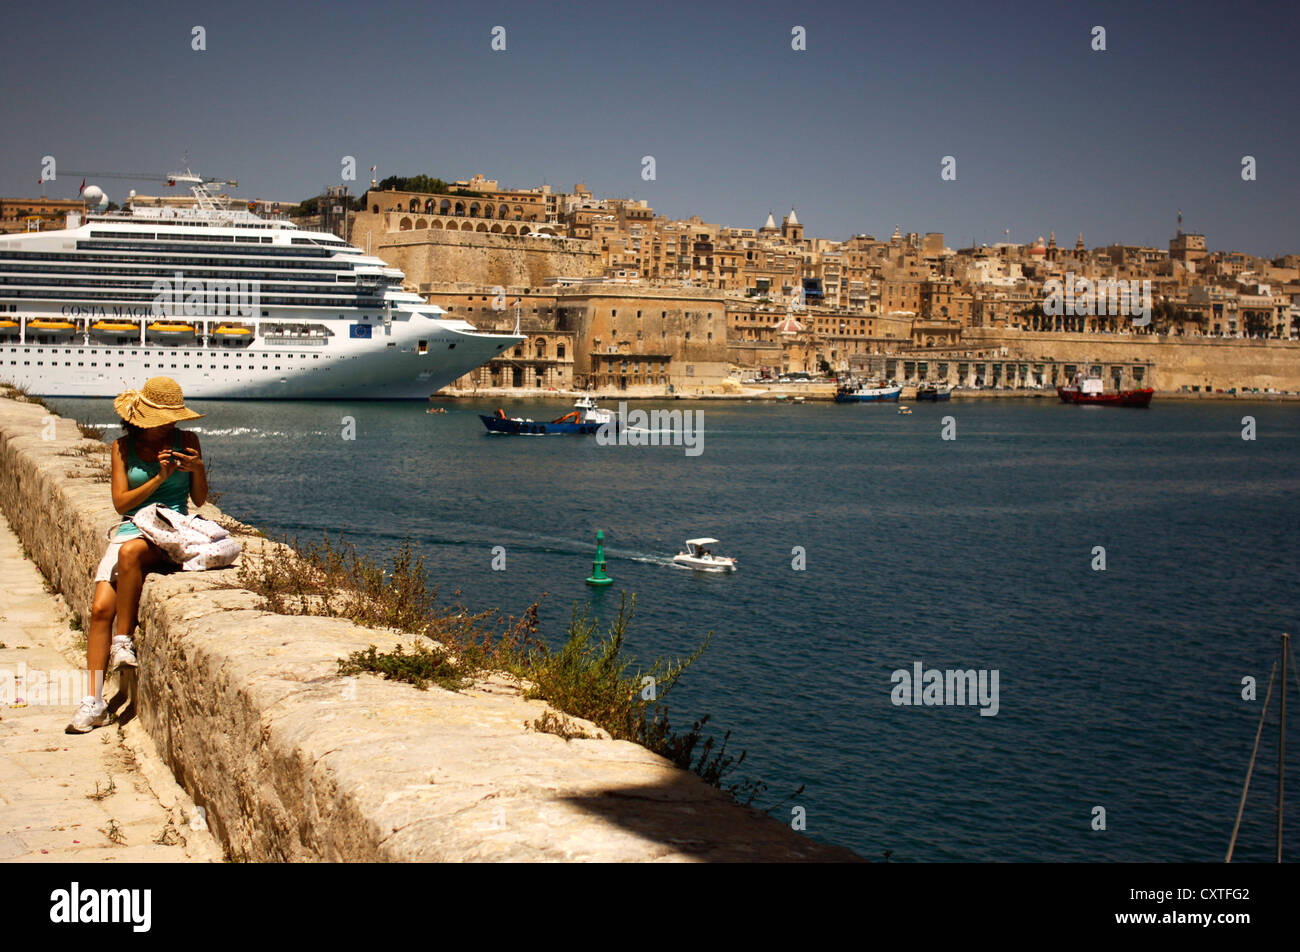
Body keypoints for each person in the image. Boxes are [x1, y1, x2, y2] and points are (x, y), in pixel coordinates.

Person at [67, 377, 208, 733]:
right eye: (166, 419)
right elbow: (121, 504)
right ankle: (94, 701)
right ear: (144, 419)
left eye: (175, 418)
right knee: (100, 609)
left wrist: (198, 469)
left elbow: (201, 500)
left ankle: (122, 640)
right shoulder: (120, 448)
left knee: (130, 554)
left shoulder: (187, 441)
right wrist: (159, 477)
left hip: (169, 526)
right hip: (133, 525)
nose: (172, 425)